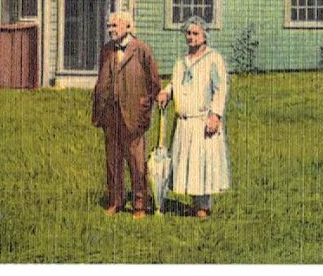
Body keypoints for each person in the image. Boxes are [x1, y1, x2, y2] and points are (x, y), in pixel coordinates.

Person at [156, 17, 230, 217]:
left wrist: (215, 115)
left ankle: (202, 206)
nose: (191, 37)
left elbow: (220, 89)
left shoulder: (214, 59)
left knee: (203, 162)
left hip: (202, 119)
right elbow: (174, 84)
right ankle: (192, 204)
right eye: (188, 33)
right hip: (184, 121)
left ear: (204, 36)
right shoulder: (181, 62)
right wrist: (166, 93)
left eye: (195, 33)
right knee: (188, 161)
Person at [91, 11, 161, 219]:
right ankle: (116, 201)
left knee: (137, 162)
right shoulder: (106, 50)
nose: (111, 30)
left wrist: (144, 107)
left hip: (133, 114)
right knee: (113, 161)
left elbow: (154, 83)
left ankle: (140, 204)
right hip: (110, 114)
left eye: (115, 26)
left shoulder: (142, 50)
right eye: (109, 26)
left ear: (128, 27)